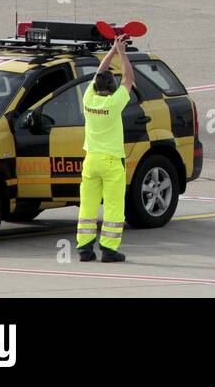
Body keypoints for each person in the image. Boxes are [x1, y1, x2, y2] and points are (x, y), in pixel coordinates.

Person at [77, 34, 134, 262]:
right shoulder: (113, 104)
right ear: (112, 88)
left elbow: (98, 75)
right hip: (111, 162)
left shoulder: (88, 99)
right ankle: (109, 250)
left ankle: (84, 249)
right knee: (113, 207)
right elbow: (129, 79)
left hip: (90, 161)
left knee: (88, 206)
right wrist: (121, 53)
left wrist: (110, 52)